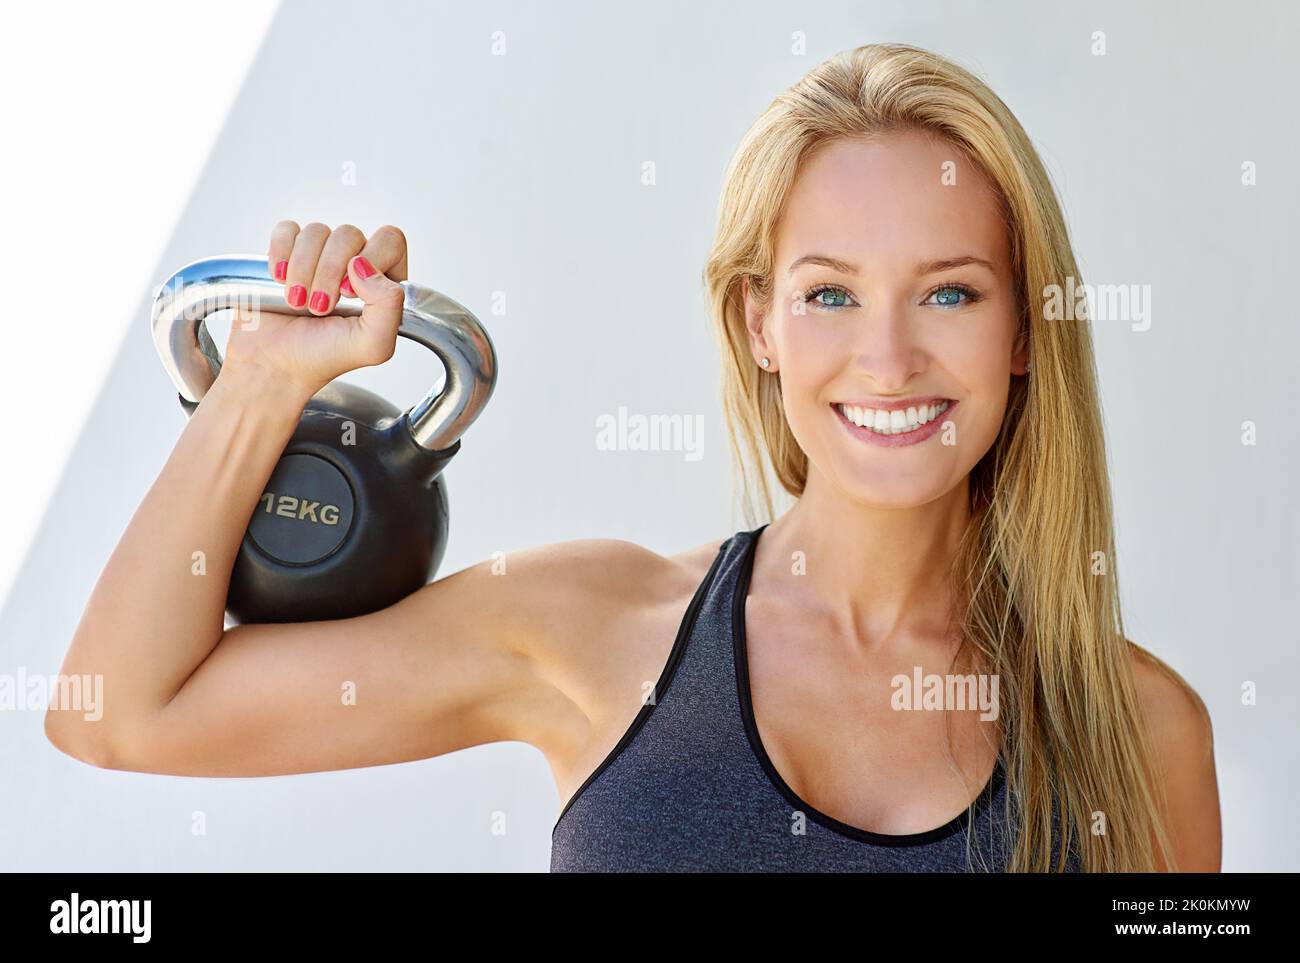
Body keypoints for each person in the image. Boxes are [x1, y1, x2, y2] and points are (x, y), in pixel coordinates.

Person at [46, 42, 1220, 872]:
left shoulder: (1141, 731)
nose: (888, 357)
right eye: (828, 295)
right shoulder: (593, 624)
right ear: (758, 323)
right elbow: (120, 713)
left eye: (949, 292)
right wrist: (256, 385)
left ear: (1023, 329)